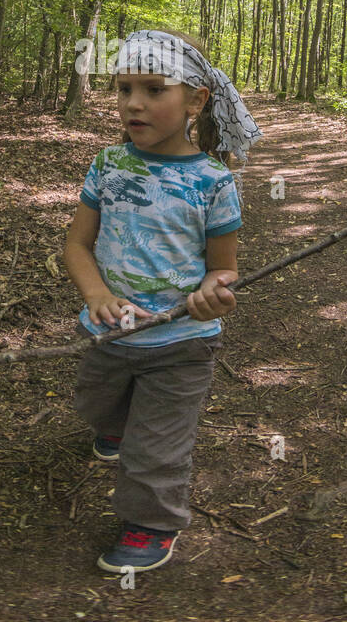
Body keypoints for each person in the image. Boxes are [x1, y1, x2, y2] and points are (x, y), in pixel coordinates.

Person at [59, 29, 260, 575]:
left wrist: (212, 295)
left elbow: (224, 268)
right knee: (97, 404)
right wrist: (96, 293)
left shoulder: (214, 182)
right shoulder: (108, 166)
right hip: (107, 332)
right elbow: (77, 244)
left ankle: (150, 524)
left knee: (158, 448)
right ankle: (115, 425)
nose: (133, 103)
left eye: (153, 88)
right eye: (124, 88)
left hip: (181, 344)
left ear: (196, 99)